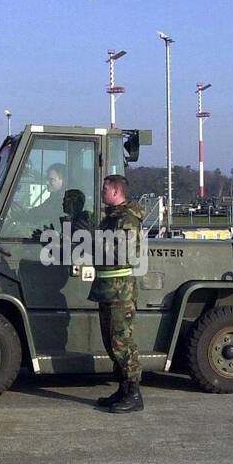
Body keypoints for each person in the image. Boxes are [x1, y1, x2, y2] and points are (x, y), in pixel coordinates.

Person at [89, 174, 144, 413]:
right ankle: (123, 390)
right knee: (112, 344)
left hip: (120, 292)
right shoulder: (112, 219)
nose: (102, 193)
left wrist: (94, 241)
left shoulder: (127, 219)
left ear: (115, 191)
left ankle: (134, 394)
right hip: (108, 290)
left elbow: (127, 253)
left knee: (122, 343)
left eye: (105, 189)